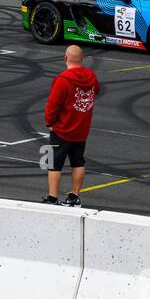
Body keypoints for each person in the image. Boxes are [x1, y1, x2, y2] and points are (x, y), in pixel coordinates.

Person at [43, 45, 100, 207]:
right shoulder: (91, 76)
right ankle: (74, 197)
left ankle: (52, 198)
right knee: (78, 162)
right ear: (82, 59)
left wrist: (49, 123)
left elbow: (52, 105)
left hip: (62, 129)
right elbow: (96, 91)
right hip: (81, 129)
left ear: (65, 58)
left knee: (53, 163)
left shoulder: (63, 79)